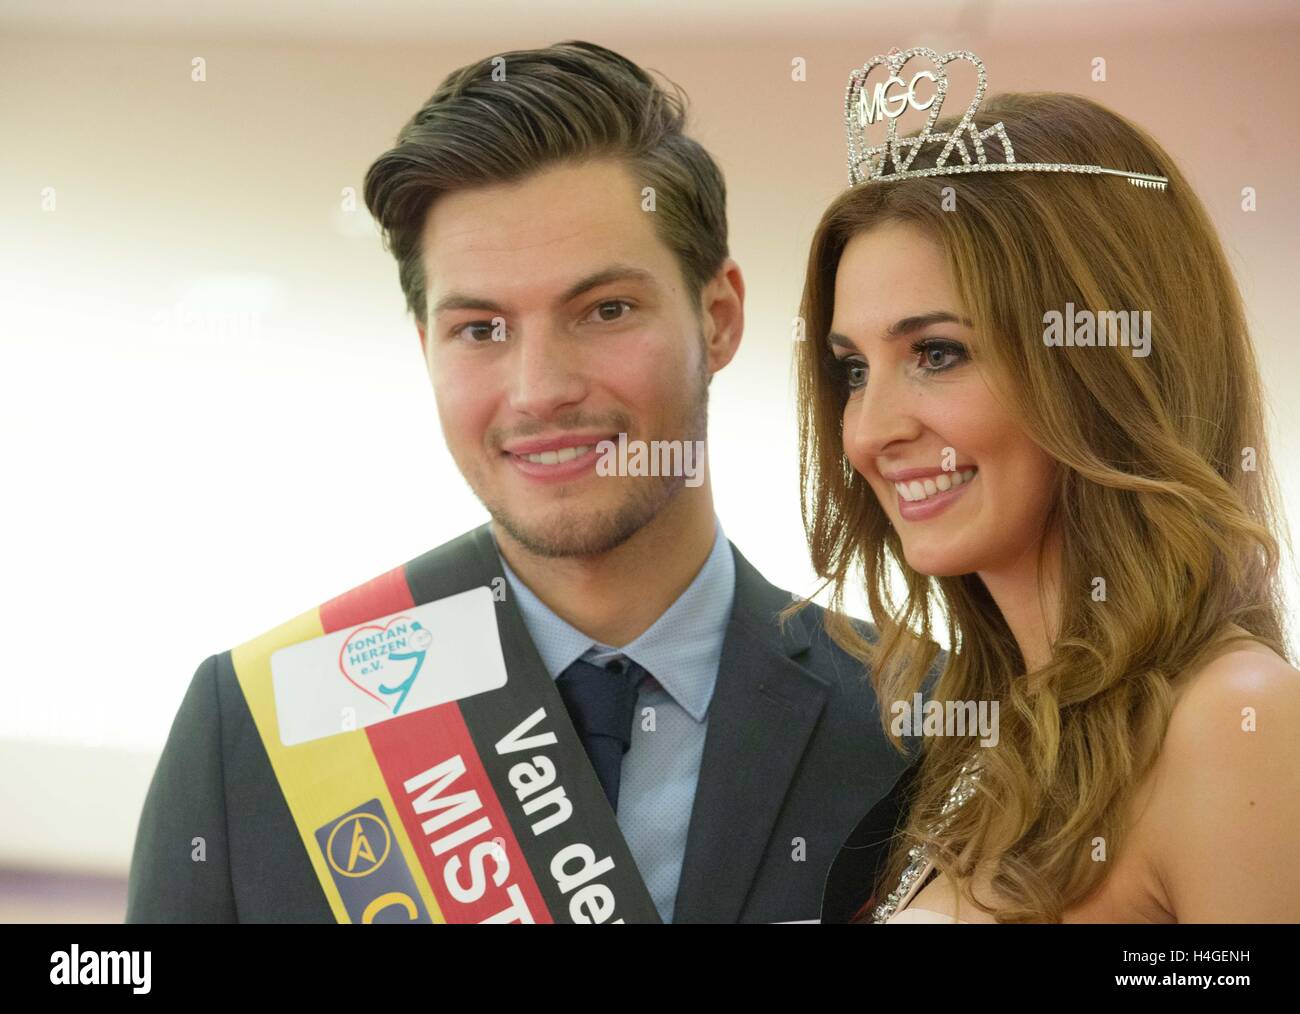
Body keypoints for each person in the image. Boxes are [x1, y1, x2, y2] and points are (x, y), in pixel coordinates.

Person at [125, 40, 914, 924]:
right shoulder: (264, 725)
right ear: (426, 347)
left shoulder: (923, 728)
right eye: (480, 329)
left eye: (606, 310)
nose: (541, 390)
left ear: (719, 317)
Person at [798, 48, 1300, 923]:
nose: (872, 433)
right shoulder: (982, 740)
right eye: (853, 370)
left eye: (938, 353)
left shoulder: (1233, 723)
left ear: (1104, 366)